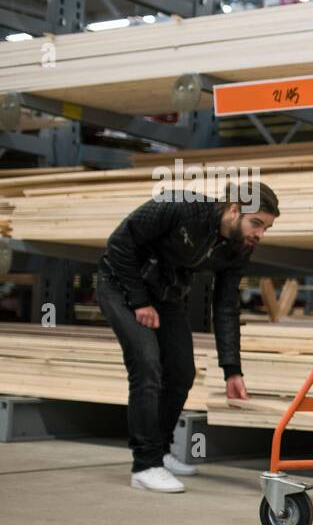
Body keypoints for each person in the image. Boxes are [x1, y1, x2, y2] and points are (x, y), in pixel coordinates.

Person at [96, 181, 279, 493]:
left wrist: (232, 369)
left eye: (267, 228)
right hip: (119, 282)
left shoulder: (239, 247)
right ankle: (145, 466)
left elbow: (225, 305)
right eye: (257, 223)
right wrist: (139, 301)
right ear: (234, 210)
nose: (259, 234)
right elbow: (120, 242)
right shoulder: (180, 206)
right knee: (147, 364)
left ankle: (161, 452)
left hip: (165, 294)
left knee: (182, 372)